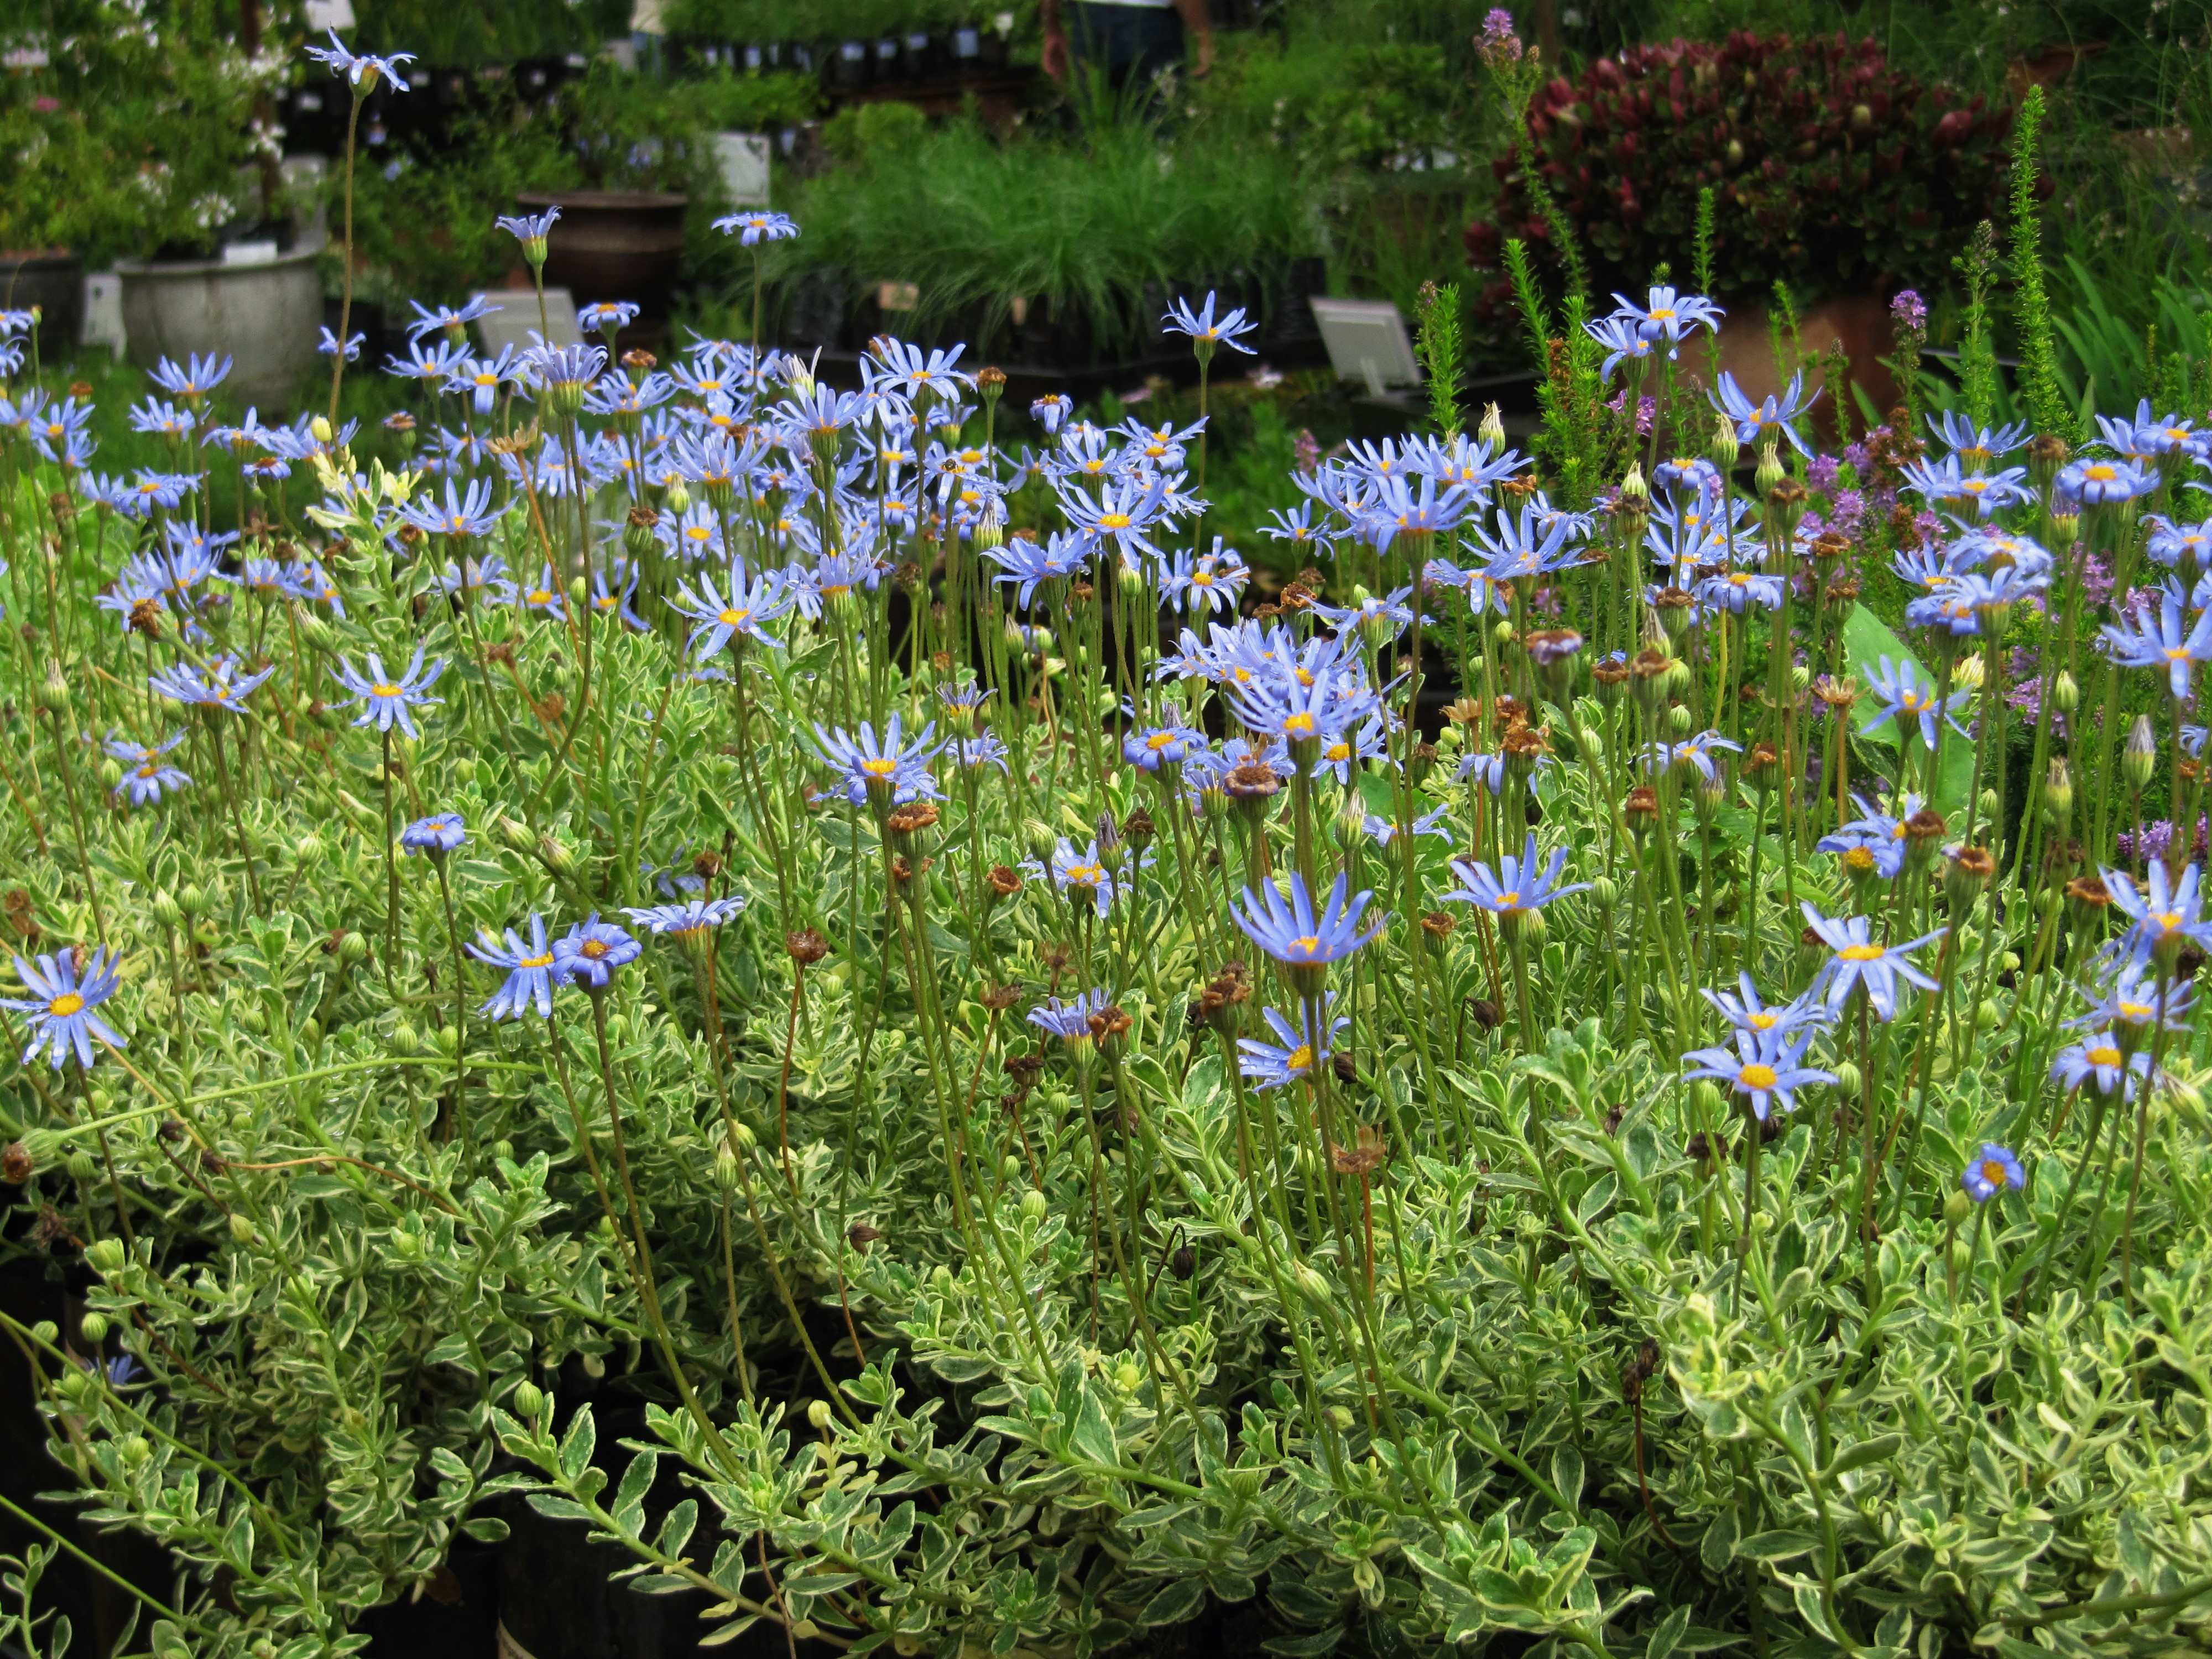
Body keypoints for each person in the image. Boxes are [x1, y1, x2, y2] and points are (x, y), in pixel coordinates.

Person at [1041, 0, 1215, 92]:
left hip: (1090, 20)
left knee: (1097, 131)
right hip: (1151, 20)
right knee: (1160, 125)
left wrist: (1052, 28)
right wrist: (1204, 40)